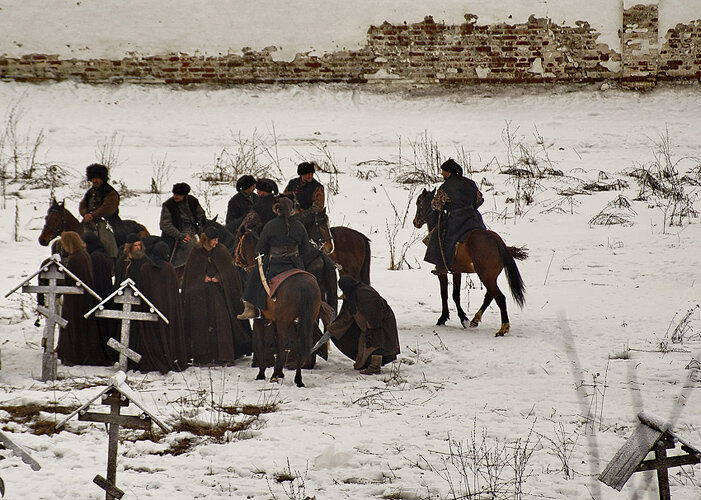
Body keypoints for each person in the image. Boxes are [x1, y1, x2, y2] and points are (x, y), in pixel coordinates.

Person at [181, 226, 252, 365]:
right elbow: (190, 274)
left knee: (222, 322)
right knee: (201, 324)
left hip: (220, 295)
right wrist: (202, 277)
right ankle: (203, 357)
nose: (215, 243)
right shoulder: (196, 252)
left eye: (217, 240)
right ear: (205, 240)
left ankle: (225, 356)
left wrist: (219, 277)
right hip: (200, 297)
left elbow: (230, 272)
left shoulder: (221, 250)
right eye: (213, 240)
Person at [238, 197, 312, 320]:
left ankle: (251, 309)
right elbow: (306, 250)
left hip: (275, 264)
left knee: (254, 275)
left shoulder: (270, 225)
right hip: (295, 263)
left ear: (277, 210)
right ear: (291, 210)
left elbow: (261, 248)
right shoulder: (299, 226)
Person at [326, 275, 400, 375]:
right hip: (369, 324)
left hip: (380, 322)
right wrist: (334, 329)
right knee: (371, 342)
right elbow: (347, 314)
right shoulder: (353, 294)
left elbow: (375, 310)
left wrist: (372, 326)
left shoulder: (365, 293)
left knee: (376, 342)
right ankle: (368, 363)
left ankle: (375, 367)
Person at [56, 231, 110, 366]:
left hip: (76, 301)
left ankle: (73, 355)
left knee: (73, 326)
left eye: (64, 243)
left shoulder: (77, 258)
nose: (63, 246)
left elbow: (73, 280)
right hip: (81, 299)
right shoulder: (82, 255)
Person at [134, 241, 189, 373]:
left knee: (152, 335)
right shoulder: (168, 268)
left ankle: (153, 359)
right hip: (167, 310)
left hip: (150, 309)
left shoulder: (144, 268)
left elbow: (142, 289)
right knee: (166, 335)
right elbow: (174, 291)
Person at [423, 158, 486, 273]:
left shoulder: (445, 187)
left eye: (443, 171)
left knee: (439, 237)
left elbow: (436, 205)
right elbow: (479, 199)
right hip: (474, 218)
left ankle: (442, 266)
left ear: (448, 172)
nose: (441, 173)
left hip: (456, 220)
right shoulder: (470, 183)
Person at [82, 231, 117, 360]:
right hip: (104, 294)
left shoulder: (95, 257)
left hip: (97, 295)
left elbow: (94, 279)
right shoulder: (102, 255)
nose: (83, 246)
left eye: (85, 243)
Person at [160, 182, 206, 269]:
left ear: (185, 195)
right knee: (190, 244)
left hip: (194, 229)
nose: (176, 197)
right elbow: (165, 224)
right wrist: (179, 235)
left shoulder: (192, 201)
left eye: (179, 195)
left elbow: (200, 215)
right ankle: (173, 267)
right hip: (177, 231)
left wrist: (202, 227)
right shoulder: (168, 205)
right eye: (175, 194)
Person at [78, 163, 119, 259]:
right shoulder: (90, 192)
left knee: (106, 239)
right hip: (89, 220)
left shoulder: (111, 193)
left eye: (97, 178)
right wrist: (85, 214)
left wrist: (92, 215)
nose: (94, 181)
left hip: (108, 220)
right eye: (93, 178)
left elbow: (107, 209)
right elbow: (82, 205)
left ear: (102, 178)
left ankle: (111, 258)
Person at [283, 161, 331, 243]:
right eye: (307, 174)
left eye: (311, 173)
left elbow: (318, 207)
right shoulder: (292, 183)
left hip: (310, 215)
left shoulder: (318, 187)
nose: (310, 176)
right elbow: (284, 198)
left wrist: (301, 212)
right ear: (301, 174)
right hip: (291, 212)